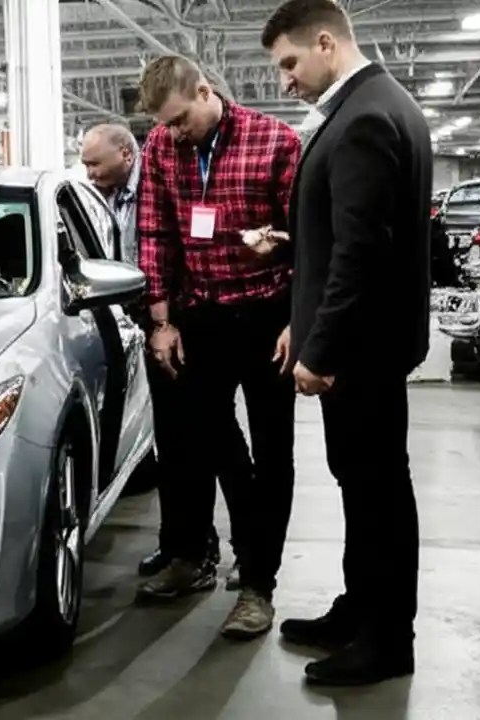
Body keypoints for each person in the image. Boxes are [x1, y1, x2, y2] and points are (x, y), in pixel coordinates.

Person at [262, 0, 430, 685]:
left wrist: (318, 348)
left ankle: (388, 639)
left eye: (289, 63)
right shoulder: (379, 103)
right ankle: (362, 607)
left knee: (377, 493)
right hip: (371, 347)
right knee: (366, 488)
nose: (284, 81)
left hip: (360, 353)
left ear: (326, 42)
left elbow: (361, 253)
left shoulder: (361, 119)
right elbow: (347, 235)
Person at [133, 55, 301, 640]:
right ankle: (200, 556)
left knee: (273, 452)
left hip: (267, 315)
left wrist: (281, 251)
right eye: (166, 125)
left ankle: (258, 585)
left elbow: (308, 232)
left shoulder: (274, 140)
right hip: (200, 312)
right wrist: (161, 321)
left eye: (180, 121)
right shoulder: (160, 147)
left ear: (205, 91)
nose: (173, 134)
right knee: (206, 439)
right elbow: (154, 233)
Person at [81, 123, 255, 590]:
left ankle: (250, 551)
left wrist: (170, 320)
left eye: (94, 162)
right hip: (150, 325)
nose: (87, 170)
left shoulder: (159, 189)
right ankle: (186, 545)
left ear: (126, 153)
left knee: (218, 439)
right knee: (174, 444)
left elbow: (186, 253)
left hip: (186, 323)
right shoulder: (108, 198)